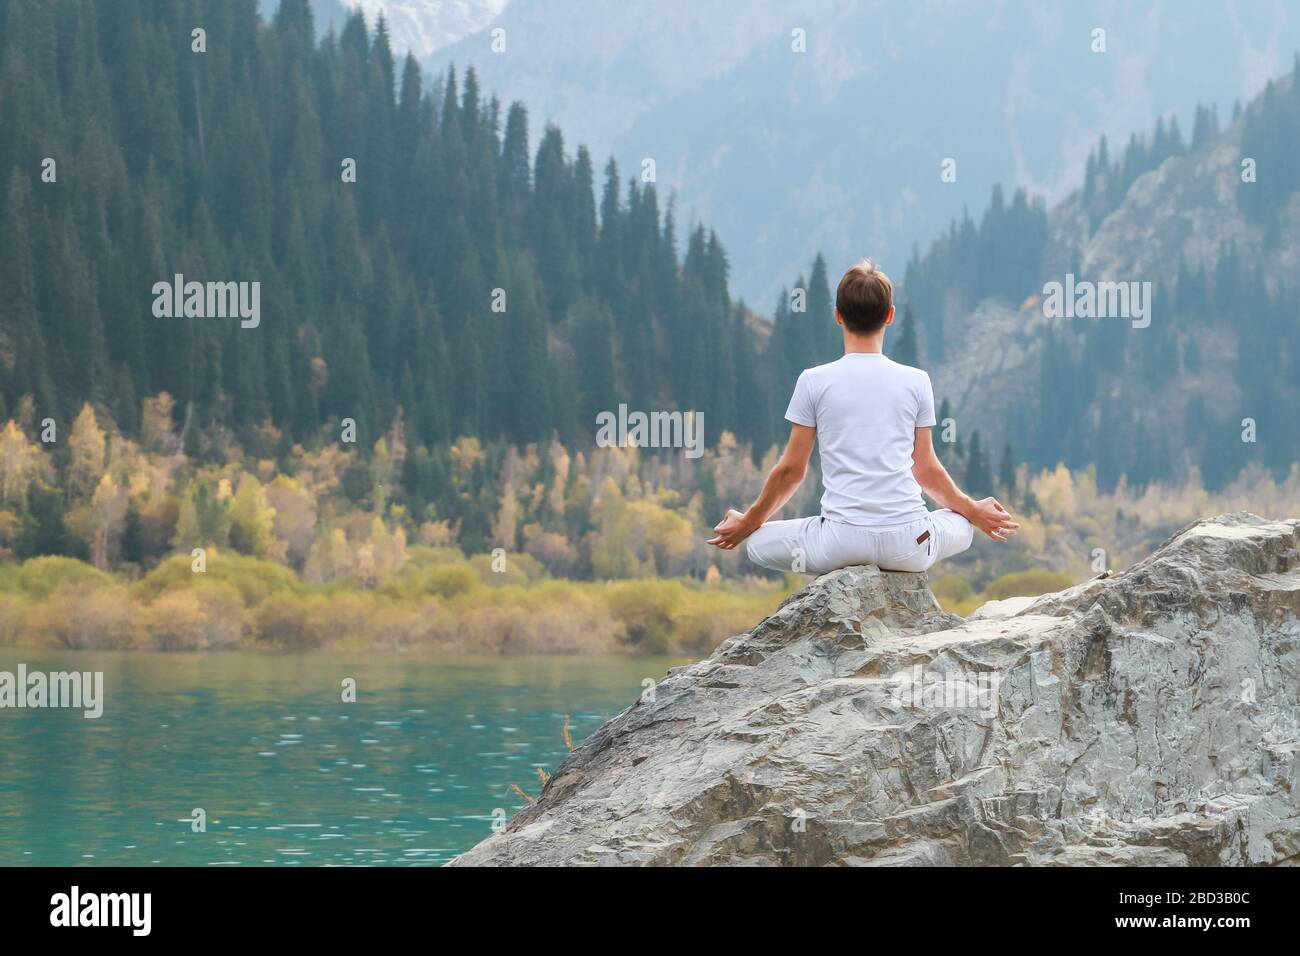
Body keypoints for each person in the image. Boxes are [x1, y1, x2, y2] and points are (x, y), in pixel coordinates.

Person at [707, 260, 1018, 575]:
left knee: (757, 542)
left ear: (838, 316)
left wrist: (749, 522)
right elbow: (925, 470)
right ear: (890, 316)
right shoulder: (917, 381)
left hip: (841, 542)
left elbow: (791, 471)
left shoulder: (813, 381)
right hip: (909, 543)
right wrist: (973, 510)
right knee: (962, 525)